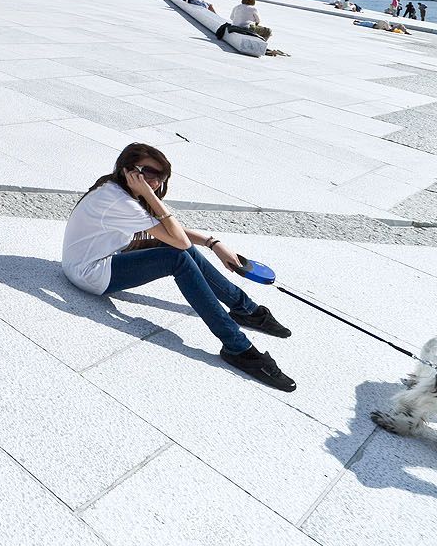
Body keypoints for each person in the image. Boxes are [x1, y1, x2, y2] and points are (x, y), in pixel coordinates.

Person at [61, 144, 295, 390]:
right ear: (129, 170)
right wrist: (150, 195)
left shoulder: (118, 190)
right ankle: (238, 347)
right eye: (148, 173)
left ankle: (245, 308)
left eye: (160, 176)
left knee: (182, 251)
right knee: (178, 258)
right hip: (89, 272)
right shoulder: (118, 200)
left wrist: (212, 243)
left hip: (105, 254)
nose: (154, 181)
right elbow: (178, 240)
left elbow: (173, 236)